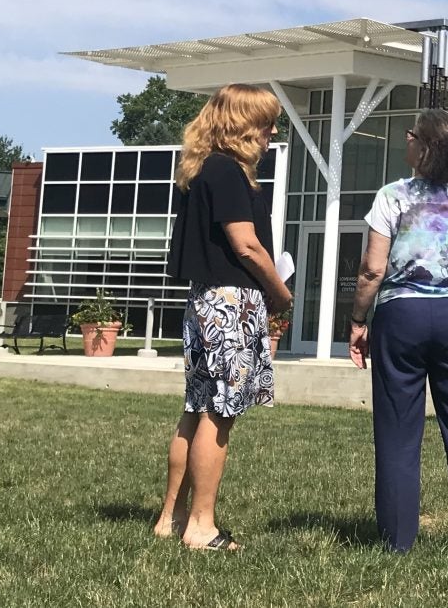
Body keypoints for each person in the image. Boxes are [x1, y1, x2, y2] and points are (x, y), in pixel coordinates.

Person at [348, 107, 448, 553]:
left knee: (399, 428)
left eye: (411, 134)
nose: (407, 139)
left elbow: (372, 270)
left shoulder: (393, 196)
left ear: (425, 147)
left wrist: (359, 321)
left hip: (402, 316)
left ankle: (397, 540)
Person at [153, 83, 294, 551]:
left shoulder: (199, 170)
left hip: (203, 300)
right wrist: (280, 293)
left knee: (195, 407)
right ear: (243, 124)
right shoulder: (229, 173)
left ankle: (170, 518)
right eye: (267, 122)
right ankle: (202, 525)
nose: (272, 131)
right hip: (231, 302)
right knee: (220, 411)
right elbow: (246, 245)